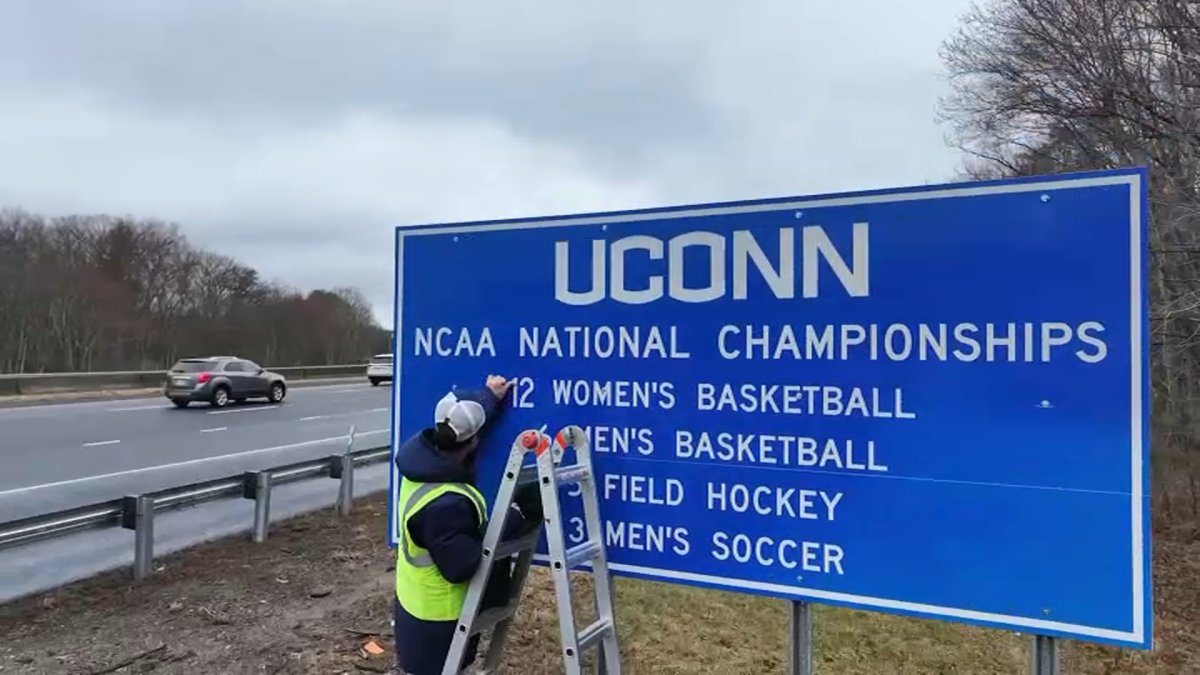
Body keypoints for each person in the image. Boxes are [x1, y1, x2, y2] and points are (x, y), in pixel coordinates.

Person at [392, 374, 543, 675]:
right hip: (440, 619)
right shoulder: (446, 503)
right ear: (471, 442)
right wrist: (514, 516)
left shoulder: (423, 464)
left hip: (414, 607)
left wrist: (488, 397)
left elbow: (460, 425)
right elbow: (461, 564)